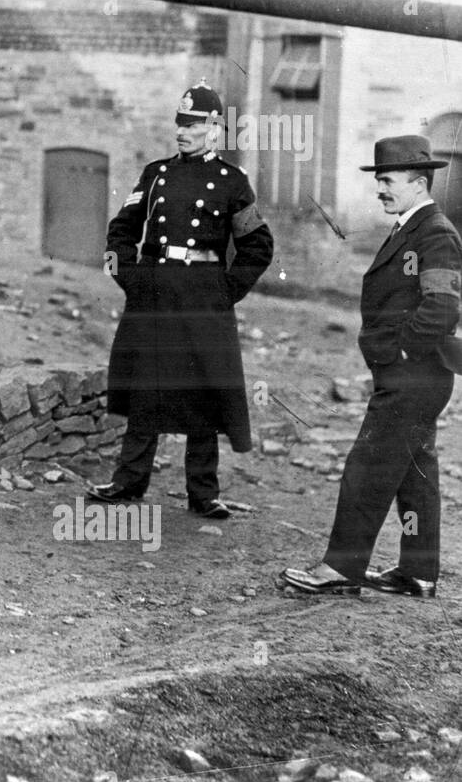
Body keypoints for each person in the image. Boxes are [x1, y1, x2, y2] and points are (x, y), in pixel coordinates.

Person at [280, 136, 462, 598]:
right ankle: (418, 573)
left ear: (418, 183)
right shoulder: (412, 228)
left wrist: (402, 351)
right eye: (379, 179)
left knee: (368, 465)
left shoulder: (434, 233)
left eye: (387, 180)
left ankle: (341, 570)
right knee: (414, 471)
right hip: (418, 376)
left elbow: (442, 307)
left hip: (413, 376)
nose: (379, 188)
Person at [86, 81, 274, 519]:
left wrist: (224, 292)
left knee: (203, 390)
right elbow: (120, 232)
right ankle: (128, 481)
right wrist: (131, 278)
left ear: (214, 129)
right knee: (145, 389)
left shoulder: (233, 181)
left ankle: (203, 492)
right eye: (179, 123)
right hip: (153, 291)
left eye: (192, 125)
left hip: (203, 296)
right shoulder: (155, 175)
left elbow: (258, 247)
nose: (182, 132)